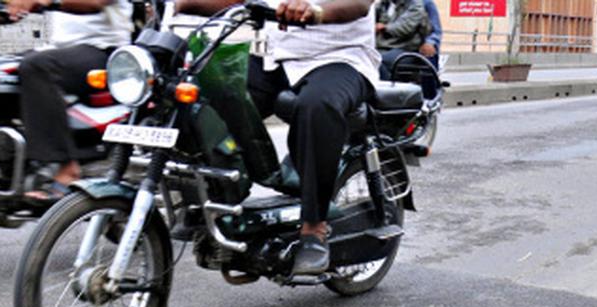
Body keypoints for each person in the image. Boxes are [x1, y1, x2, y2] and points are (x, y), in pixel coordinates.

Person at [178, 0, 380, 275]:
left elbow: (356, 5)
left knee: (317, 105)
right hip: (276, 61)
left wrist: (316, 11)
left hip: (341, 59)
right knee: (202, 87)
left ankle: (314, 227)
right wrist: (182, 3)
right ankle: (217, 201)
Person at [7, 0, 133, 202]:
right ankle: (15, 163)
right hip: (56, 49)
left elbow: (96, 3)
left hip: (104, 51)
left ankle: (67, 168)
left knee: (36, 67)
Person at [374, 0, 429, 78]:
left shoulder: (415, 4)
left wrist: (384, 27)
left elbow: (404, 27)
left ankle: (387, 88)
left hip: (405, 48)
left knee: (379, 60)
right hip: (384, 47)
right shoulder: (384, 4)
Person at [419, 0, 442, 69]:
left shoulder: (426, 3)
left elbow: (436, 30)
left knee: (428, 53)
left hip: (422, 47)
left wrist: (430, 42)